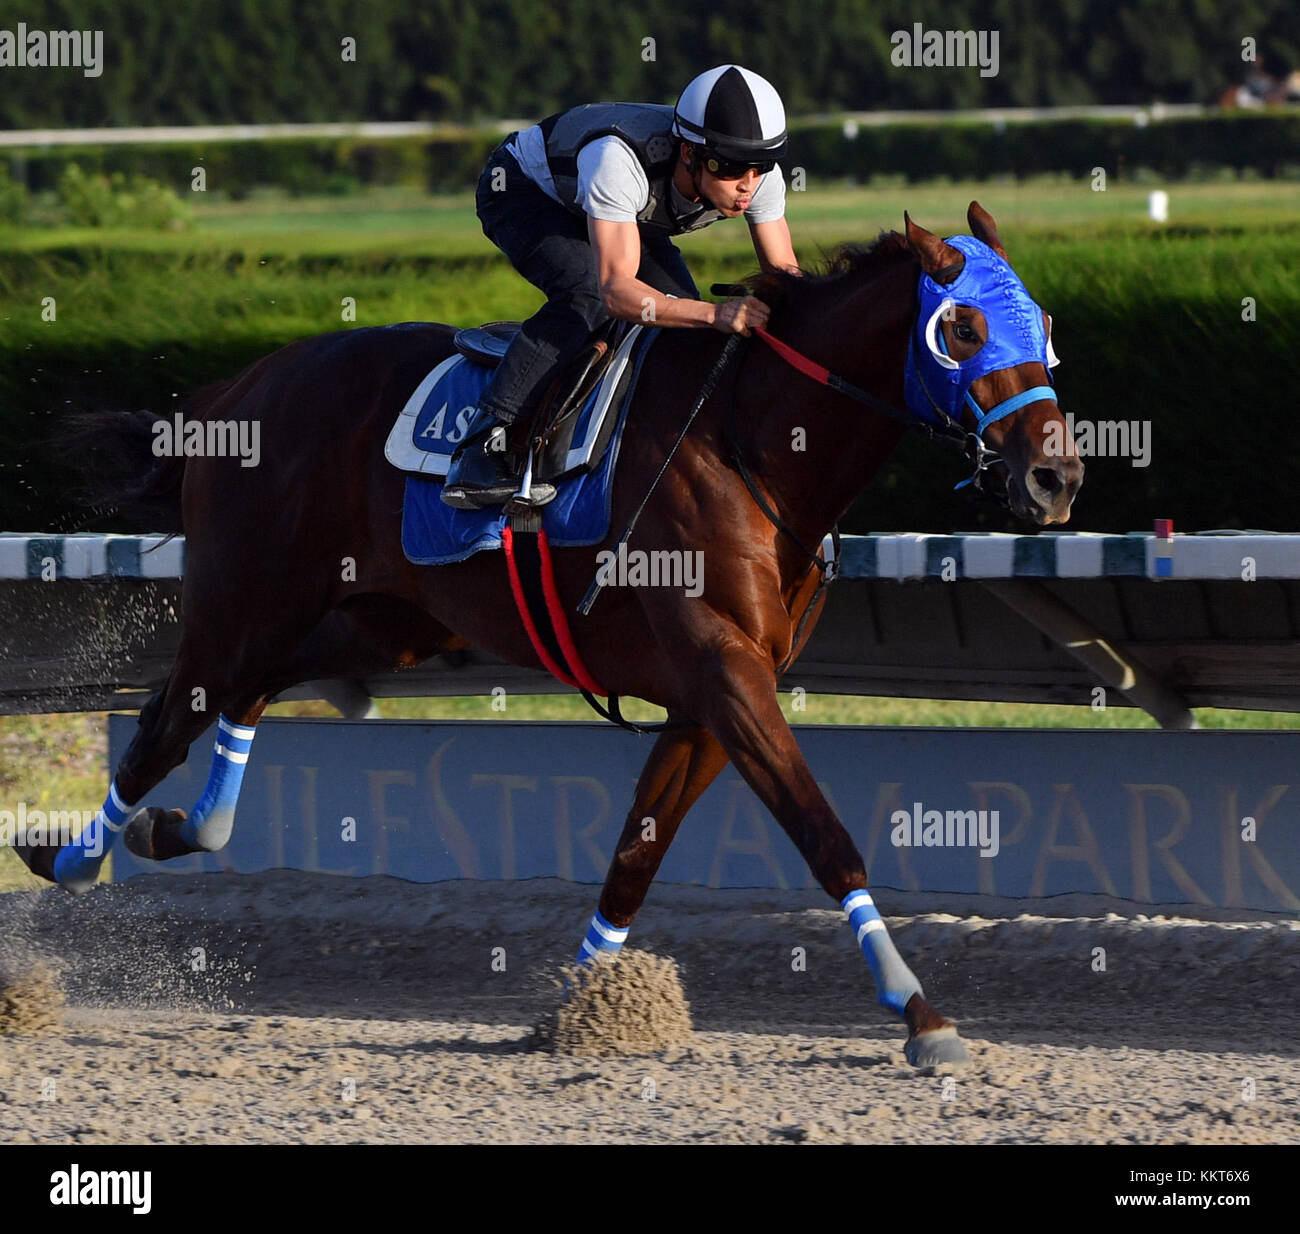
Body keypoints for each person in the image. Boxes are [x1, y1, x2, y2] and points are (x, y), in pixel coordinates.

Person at [441, 63, 802, 510]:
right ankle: (483, 442)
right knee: (588, 296)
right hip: (524, 192)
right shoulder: (617, 159)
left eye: (759, 168)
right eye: (728, 169)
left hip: (622, 212)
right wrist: (716, 313)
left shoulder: (755, 175)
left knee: (679, 317)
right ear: (688, 153)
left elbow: (786, 278)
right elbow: (617, 291)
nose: (747, 186)